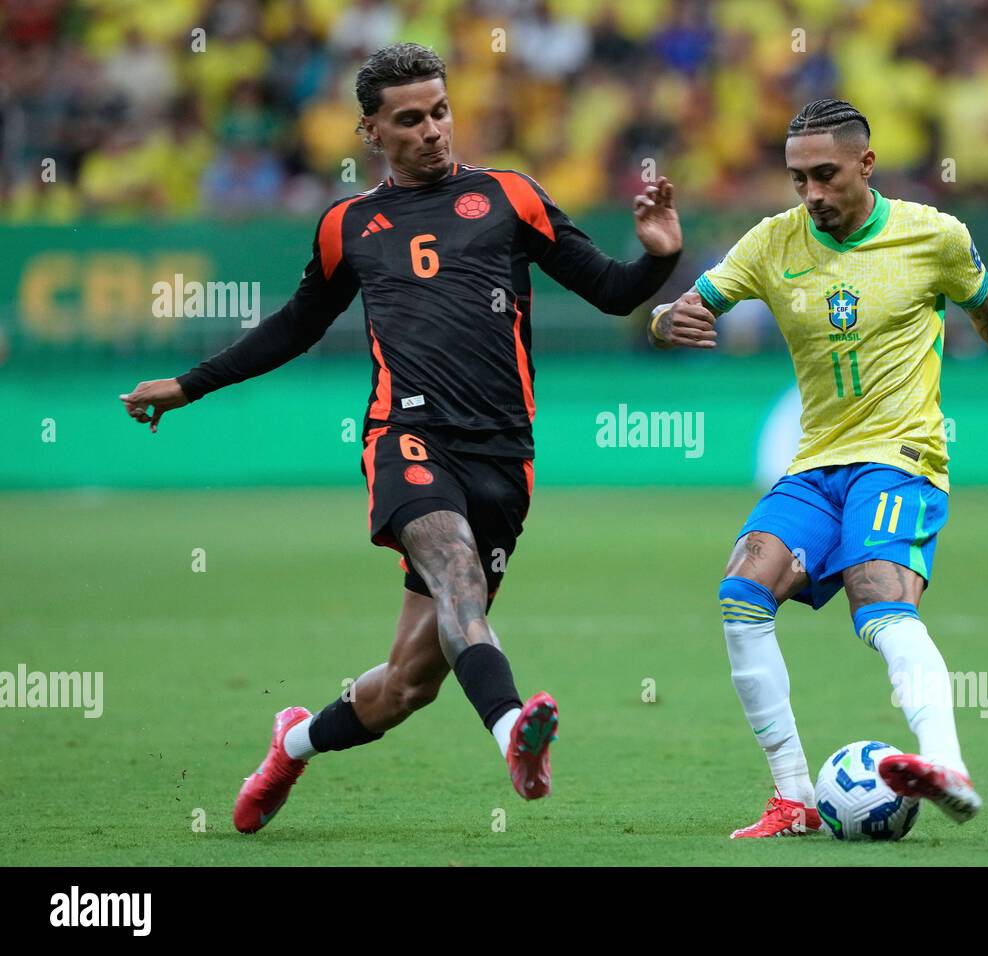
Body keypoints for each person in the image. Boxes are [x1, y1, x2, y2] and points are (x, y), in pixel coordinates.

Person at [120, 43, 682, 833]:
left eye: (440, 112)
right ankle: (513, 734)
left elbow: (613, 292)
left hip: (503, 456)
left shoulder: (510, 197)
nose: (432, 131)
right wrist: (190, 385)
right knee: (456, 574)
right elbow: (294, 327)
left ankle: (292, 744)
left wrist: (659, 258)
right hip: (407, 435)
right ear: (371, 132)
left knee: (409, 685)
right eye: (410, 119)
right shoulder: (348, 225)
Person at [647, 98, 988, 839]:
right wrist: (664, 321)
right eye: (797, 178)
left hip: (901, 458)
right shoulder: (772, 242)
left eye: (825, 175)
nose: (810, 193)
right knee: (741, 593)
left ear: (866, 164)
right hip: (817, 462)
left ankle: (947, 766)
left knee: (876, 599)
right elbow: (679, 310)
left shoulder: (933, 236)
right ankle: (794, 798)